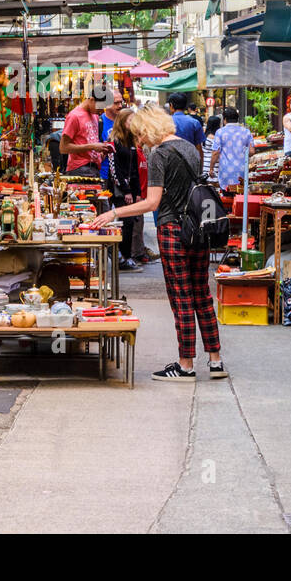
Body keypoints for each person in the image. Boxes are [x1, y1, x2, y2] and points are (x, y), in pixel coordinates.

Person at [92, 105, 226, 382]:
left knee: (181, 298)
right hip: (198, 228)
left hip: (173, 230)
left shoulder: (159, 154)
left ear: (148, 129)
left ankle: (185, 364)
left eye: (139, 134)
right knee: (202, 294)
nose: (139, 141)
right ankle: (215, 361)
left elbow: (152, 202)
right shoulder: (189, 147)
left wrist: (114, 213)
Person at [108, 108, 143, 272]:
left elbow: (134, 169)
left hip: (130, 187)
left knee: (129, 223)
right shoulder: (114, 140)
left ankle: (126, 257)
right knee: (126, 222)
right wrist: (126, 190)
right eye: (130, 120)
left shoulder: (132, 141)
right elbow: (114, 170)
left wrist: (137, 192)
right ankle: (123, 257)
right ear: (122, 121)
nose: (132, 124)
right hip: (119, 188)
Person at [59, 87, 114, 177]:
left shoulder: (95, 115)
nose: (101, 111)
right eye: (100, 107)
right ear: (92, 100)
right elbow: (63, 148)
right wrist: (92, 146)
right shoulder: (74, 116)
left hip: (94, 168)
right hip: (79, 169)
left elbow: (89, 141)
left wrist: (101, 151)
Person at [210, 106, 255, 191]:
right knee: (241, 195)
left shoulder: (220, 132)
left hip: (225, 170)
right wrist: (241, 153)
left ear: (225, 119)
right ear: (237, 119)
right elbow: (252, 151)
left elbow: (215, 153)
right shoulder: (246, 132)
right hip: (242, 171)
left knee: (226, 194)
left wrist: (211, 168)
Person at [167, 91, 204, 159]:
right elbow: (199, 149)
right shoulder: (194, 123)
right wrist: (200, 168)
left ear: (171, 105)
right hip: (190, 162)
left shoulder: (165, 122)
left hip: (170, 162)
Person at [99, 94, 124, 180]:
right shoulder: (99, 123)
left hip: (123, 177)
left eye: (121, 102)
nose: (120, 106)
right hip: (104, 175)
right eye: (116, 103)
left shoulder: (125, 122)